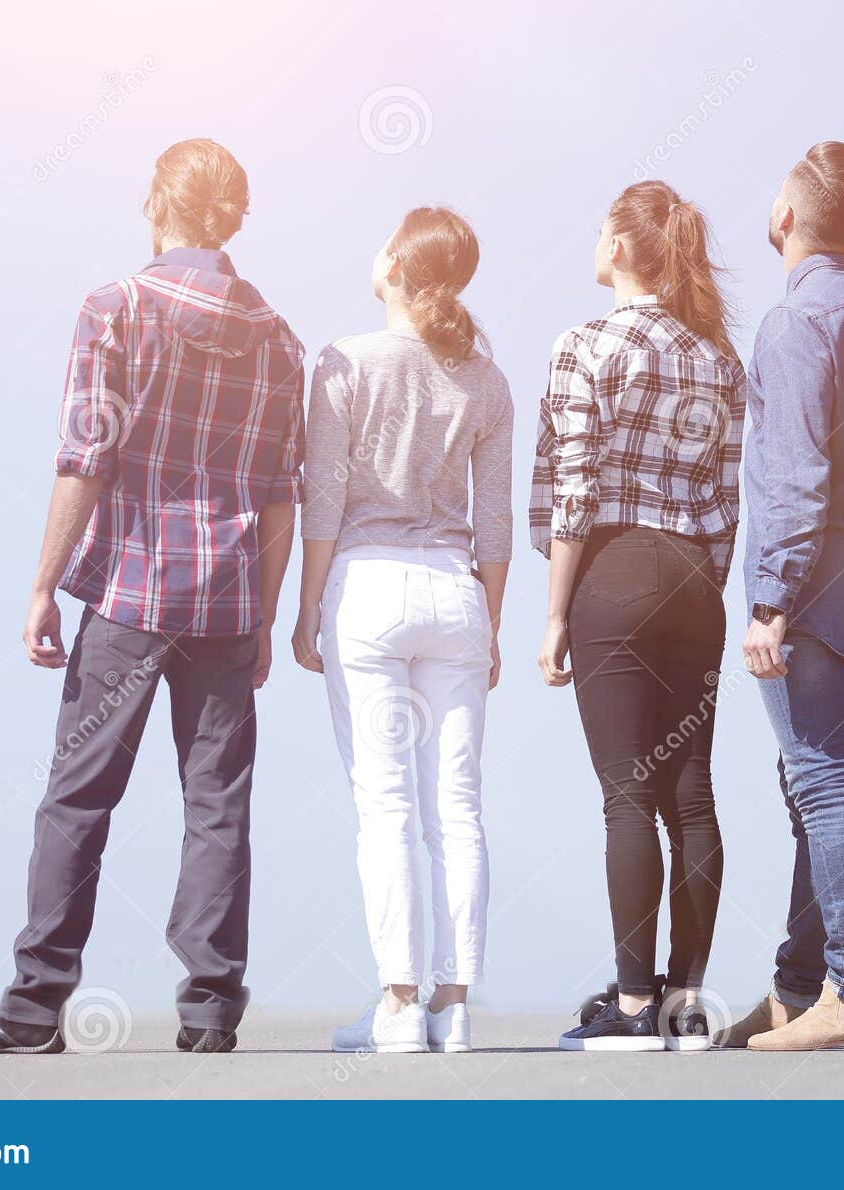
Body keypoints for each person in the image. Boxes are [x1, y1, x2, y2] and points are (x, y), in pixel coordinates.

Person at [0, 139, 304, 1056]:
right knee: (217, 802)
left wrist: (40, 586)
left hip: (133, 590)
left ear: (157, 202)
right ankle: (212, 1012)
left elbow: (84, 459)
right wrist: (262, 612)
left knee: (76, 799)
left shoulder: (115, 308)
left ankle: (32, 1011)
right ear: (235, 217)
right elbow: (277, 498)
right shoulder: (280, 339)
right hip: (226, 601)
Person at [531, 180, 745, 1053]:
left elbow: (573, 489)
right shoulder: (719, 359)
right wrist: (703, 585)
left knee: (627, 795)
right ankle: (687, 1002)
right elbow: (729, 500)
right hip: (696, 578)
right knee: (691, 794)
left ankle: (627, 1007)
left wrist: (554, 612)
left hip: (614, 571)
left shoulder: (585, 345)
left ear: (621, 247)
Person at [293, 207, 512, 1055]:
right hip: (455, 595)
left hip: (370, 588)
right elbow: (492, 524)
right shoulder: (485, 380)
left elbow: (322, 501)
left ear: (393, 265)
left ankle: (397, 1006)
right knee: (456, 808)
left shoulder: (344, 361)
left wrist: (310, 609)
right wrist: (490, 627)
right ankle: (453, 1007)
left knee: (384, 807)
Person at [723, 142, 844, 1053]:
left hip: (810, 594)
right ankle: (799, 991)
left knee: (823, 781)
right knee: (813, 781)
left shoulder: (798, 323)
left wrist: (770, 601)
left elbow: (797, 477)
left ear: (789, 216)